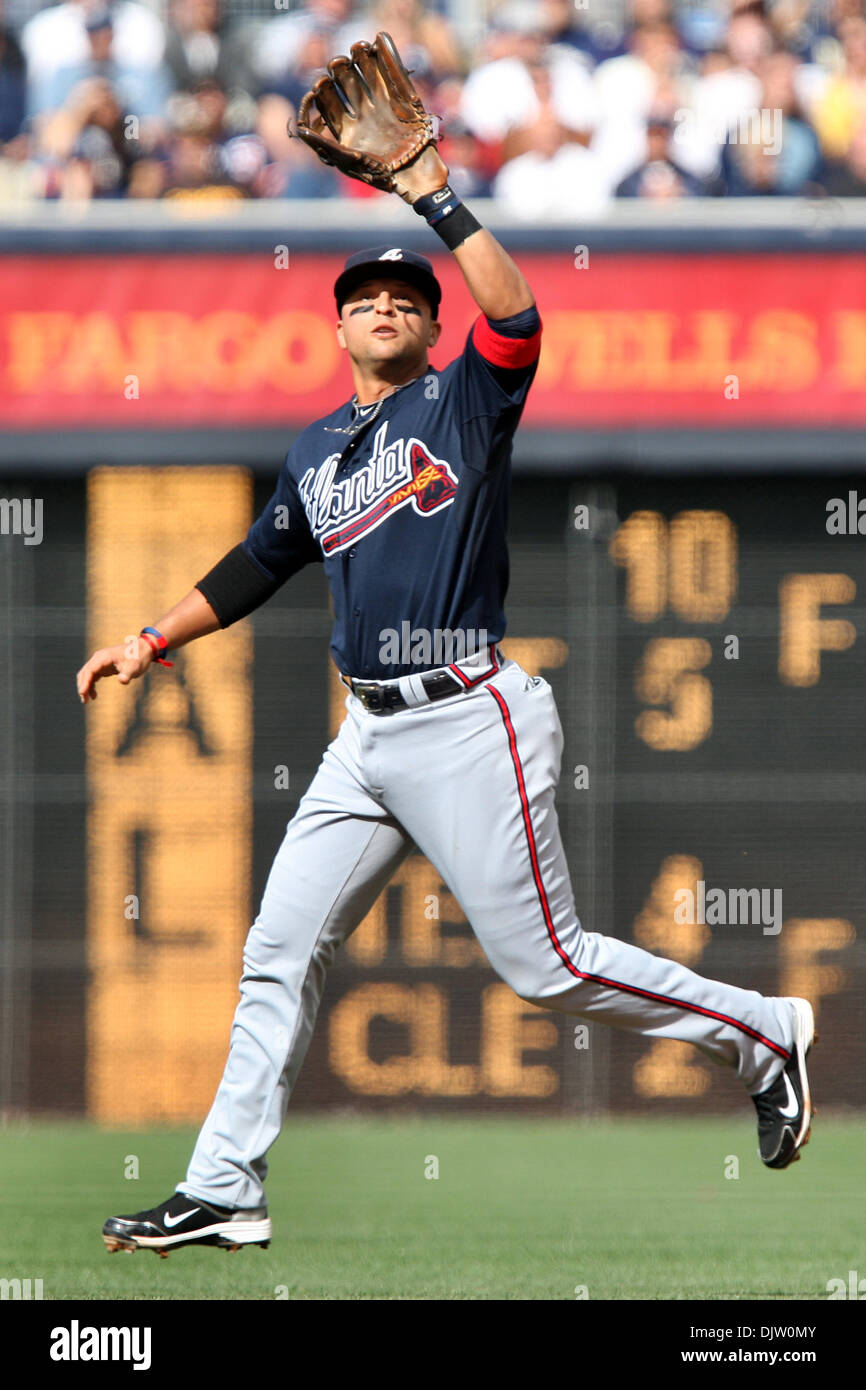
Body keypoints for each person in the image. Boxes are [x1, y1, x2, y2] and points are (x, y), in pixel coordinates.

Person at [78, 72, 816, 1259]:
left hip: (470, 715)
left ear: (425, 324)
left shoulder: (463, 403)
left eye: (401, 296)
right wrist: (150, 639)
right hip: (364, 737)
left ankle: (762, 1029)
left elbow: (519, 319)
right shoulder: (318, 451)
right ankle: (224, 1186)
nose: (382, 303)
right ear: (333, 324)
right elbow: (258, 562)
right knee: (276, 949)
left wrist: (436, 202)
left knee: (548, 969)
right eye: (362, 293)